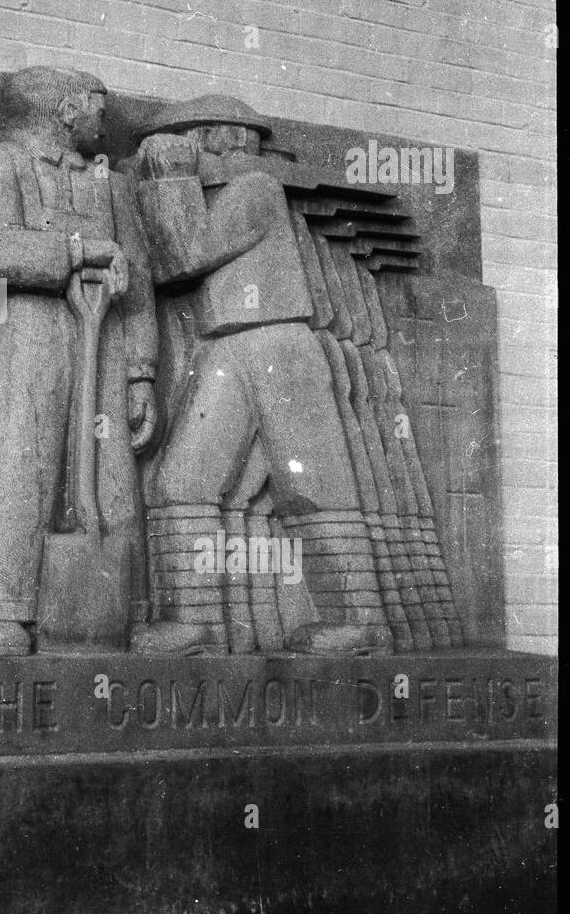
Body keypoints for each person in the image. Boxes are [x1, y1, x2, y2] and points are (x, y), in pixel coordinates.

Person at [129, 98, 392, 655]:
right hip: (228, 346)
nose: (170, 155)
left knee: (314, 487)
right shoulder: (225, 193)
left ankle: (360, 621)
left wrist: (168, 178)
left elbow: (183, 256)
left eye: (182, 143)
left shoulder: (254, 189)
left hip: (279, 343)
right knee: (182, 482)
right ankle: (195, 622)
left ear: (222, 140)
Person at [0, 66, 159, 655]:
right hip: (23, 328)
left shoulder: (110, 185)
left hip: (106, 331)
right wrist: (77, 250)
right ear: (66, 108)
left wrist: (143, 371)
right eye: (97, 107)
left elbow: (135, 276)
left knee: (111, 469)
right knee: (18, 457)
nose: (103, 122)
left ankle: (125, 613)